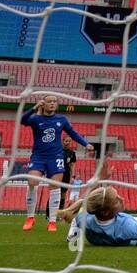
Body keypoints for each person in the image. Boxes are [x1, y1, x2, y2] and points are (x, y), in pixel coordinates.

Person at [19, 94, 88, 233]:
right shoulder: (36, 119)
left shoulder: (61, 119)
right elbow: (22, 120)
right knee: (32, 182)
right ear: (43, 104)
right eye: (49, 101)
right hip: (38, 156)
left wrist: (86, 144)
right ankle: (30, 218)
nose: (52, 103)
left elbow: (73, 133)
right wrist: (33, 108)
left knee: (55, 187)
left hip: (55, 156)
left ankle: (52, 221)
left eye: (54, 101)